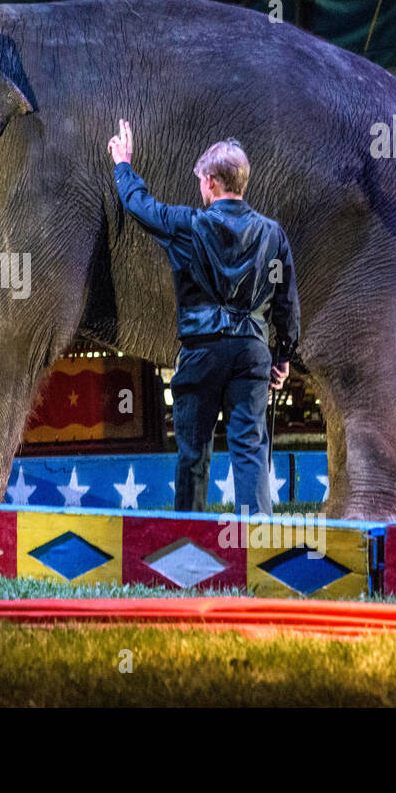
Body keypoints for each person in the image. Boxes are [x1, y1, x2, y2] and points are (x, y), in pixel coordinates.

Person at [109, 121, 300, 515]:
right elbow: (286, 300)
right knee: (249, 447)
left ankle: (187, 540)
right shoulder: (274, 235)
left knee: (193, 449)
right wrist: (282, 356)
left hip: (202, 352)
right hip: (251, 352)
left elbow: (138, 205)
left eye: (201, 180)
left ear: (211, 182)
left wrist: (123, 164)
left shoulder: (188, 226)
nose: (200, 187)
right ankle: (257, 542)